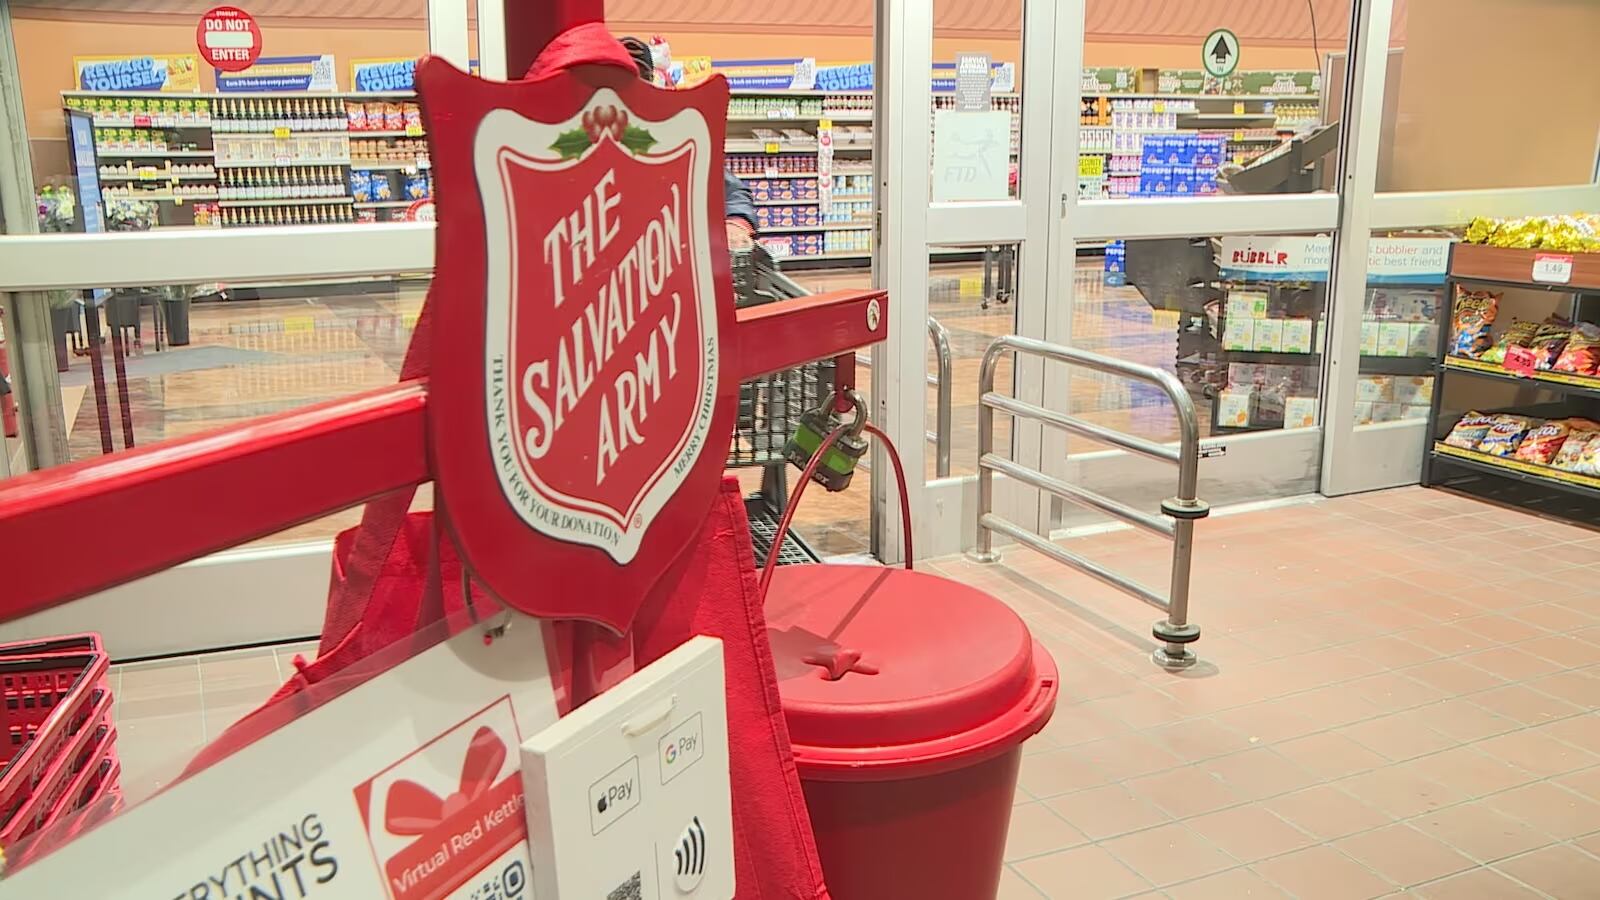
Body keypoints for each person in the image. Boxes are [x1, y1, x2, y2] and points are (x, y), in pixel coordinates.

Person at [618, 36, 757, 250]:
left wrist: (736, 223)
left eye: (640, 82)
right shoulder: (583, 139)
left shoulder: (674, 135)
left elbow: (731, 191)